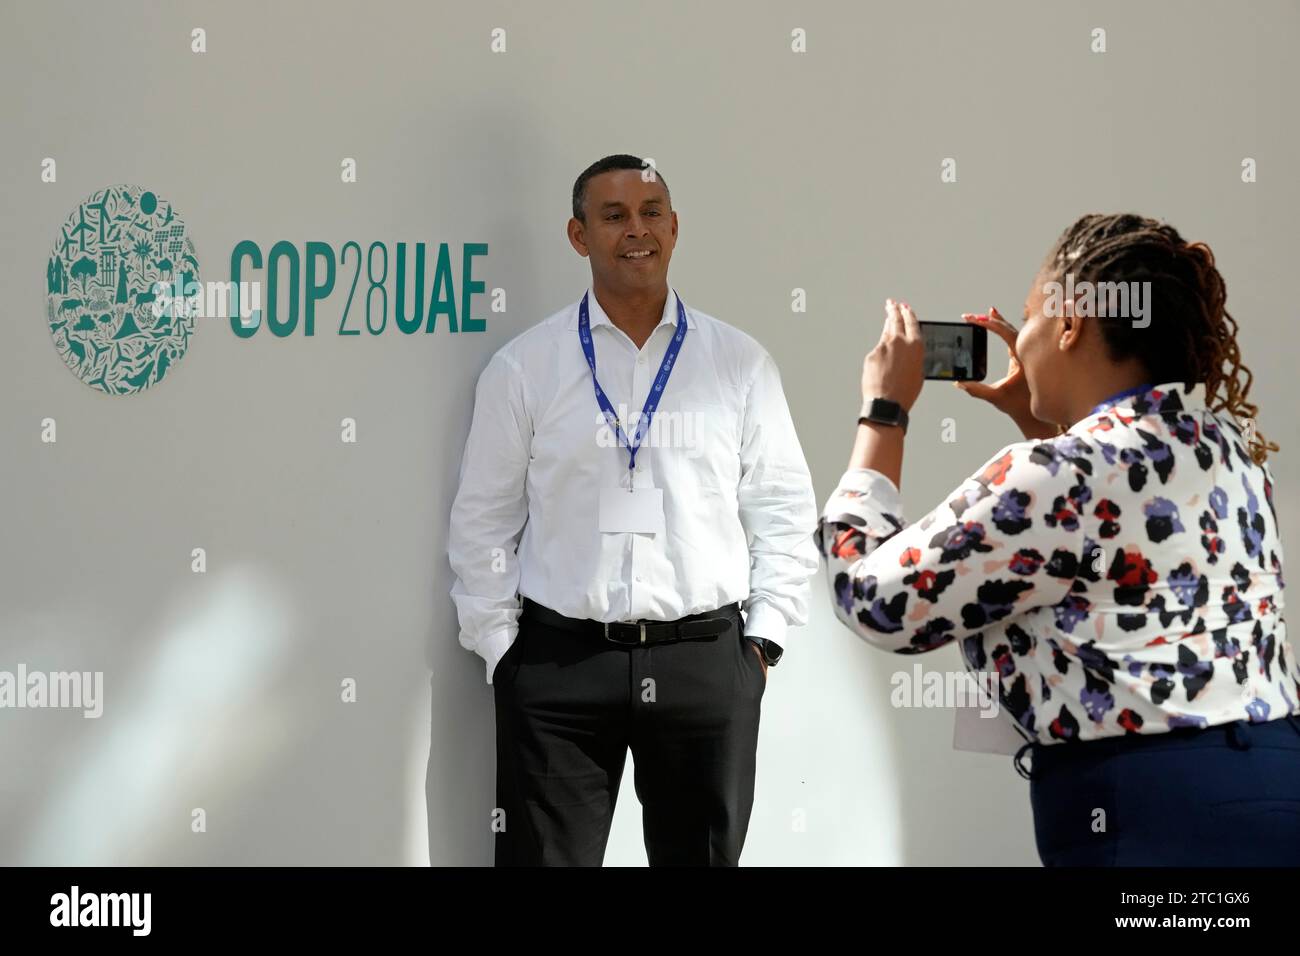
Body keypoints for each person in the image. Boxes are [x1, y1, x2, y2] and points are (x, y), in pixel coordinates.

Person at [817, 213, 1300, 865]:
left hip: (1149, 809)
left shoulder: (1055, 476)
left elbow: (874, 601)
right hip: (1275, 782)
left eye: (1030, 314)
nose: (1025, 336)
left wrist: (885, 412)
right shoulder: (1232, 450)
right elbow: (1114, 546)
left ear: (1070, 323)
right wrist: (1038, 417)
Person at [448, 154, 818, 866]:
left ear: (675, 229)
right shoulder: (526, 367)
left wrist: (761, 643)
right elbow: (482, 522)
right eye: (613, 216)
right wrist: (504, 653)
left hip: (704, 661)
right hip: (560, 665)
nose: (636, 230)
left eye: (651, 213)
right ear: (579, 235)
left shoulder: (739, 364)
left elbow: (782, 509)